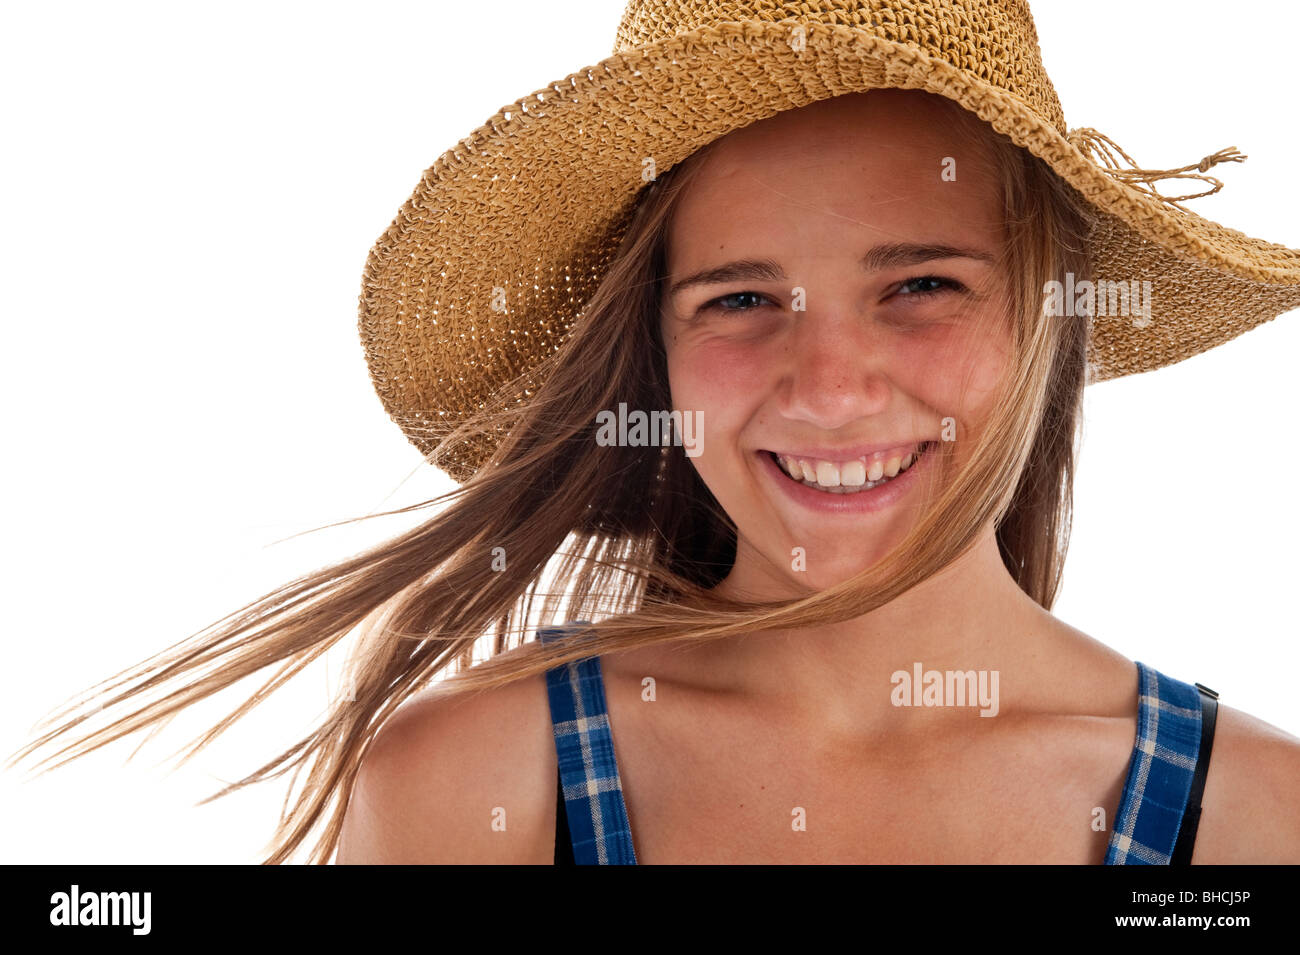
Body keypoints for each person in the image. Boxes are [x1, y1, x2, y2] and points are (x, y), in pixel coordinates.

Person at [11, 0, 1300, 865]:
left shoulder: (1245, 819)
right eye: (741, 300)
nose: (831, 385)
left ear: (1050, 320)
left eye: (920, 287)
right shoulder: (482, 782)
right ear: (656, 351)